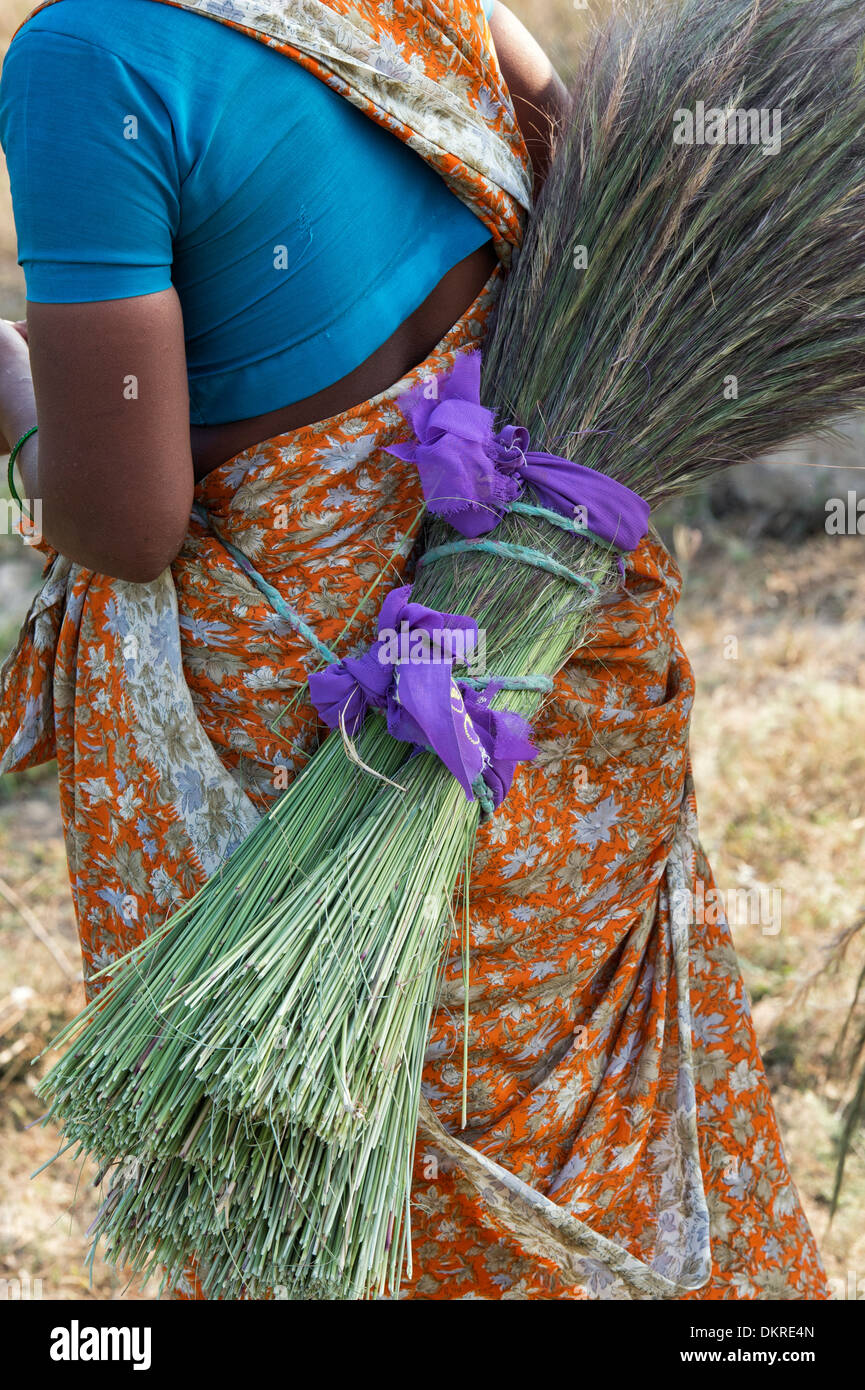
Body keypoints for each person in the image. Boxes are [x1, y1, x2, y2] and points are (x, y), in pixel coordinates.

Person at [0, 0, 830, 1300]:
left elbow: (124, 517)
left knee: (357, 1203)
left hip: (307, 747)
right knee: (594, 1142)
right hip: (542, 683)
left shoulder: (89, 57)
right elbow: (579, 183)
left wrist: (16, 408)